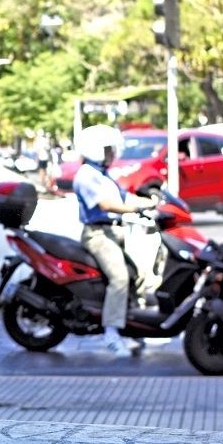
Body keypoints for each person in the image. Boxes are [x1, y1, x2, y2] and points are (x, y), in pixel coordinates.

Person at [72, 125, 154, 358]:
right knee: (119, 277)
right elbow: (105, 204)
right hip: (98, 236)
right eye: (108, 149)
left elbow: (123, 195)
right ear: (95, 150)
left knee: (136, 274)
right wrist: (134, 208)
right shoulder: (86, 176)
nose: (112, 153)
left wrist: (150, 202)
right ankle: (111, 333)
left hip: (115, 233)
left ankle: (133, 324)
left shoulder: (101, 174)